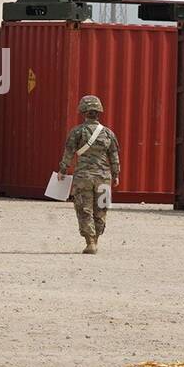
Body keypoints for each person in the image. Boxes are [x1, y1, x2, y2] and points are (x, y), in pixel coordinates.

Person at [57, 95, 120, 255]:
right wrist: (116, 174)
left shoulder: (77, 132)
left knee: (84, 209)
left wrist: (63, 170)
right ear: (99, 112)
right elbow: (114, 156)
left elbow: (69, 153)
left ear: (83, 111)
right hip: (104, 177)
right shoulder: (108, 133)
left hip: (83, 177)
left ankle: (90, 241)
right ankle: (96, 239)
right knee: (101, 208)